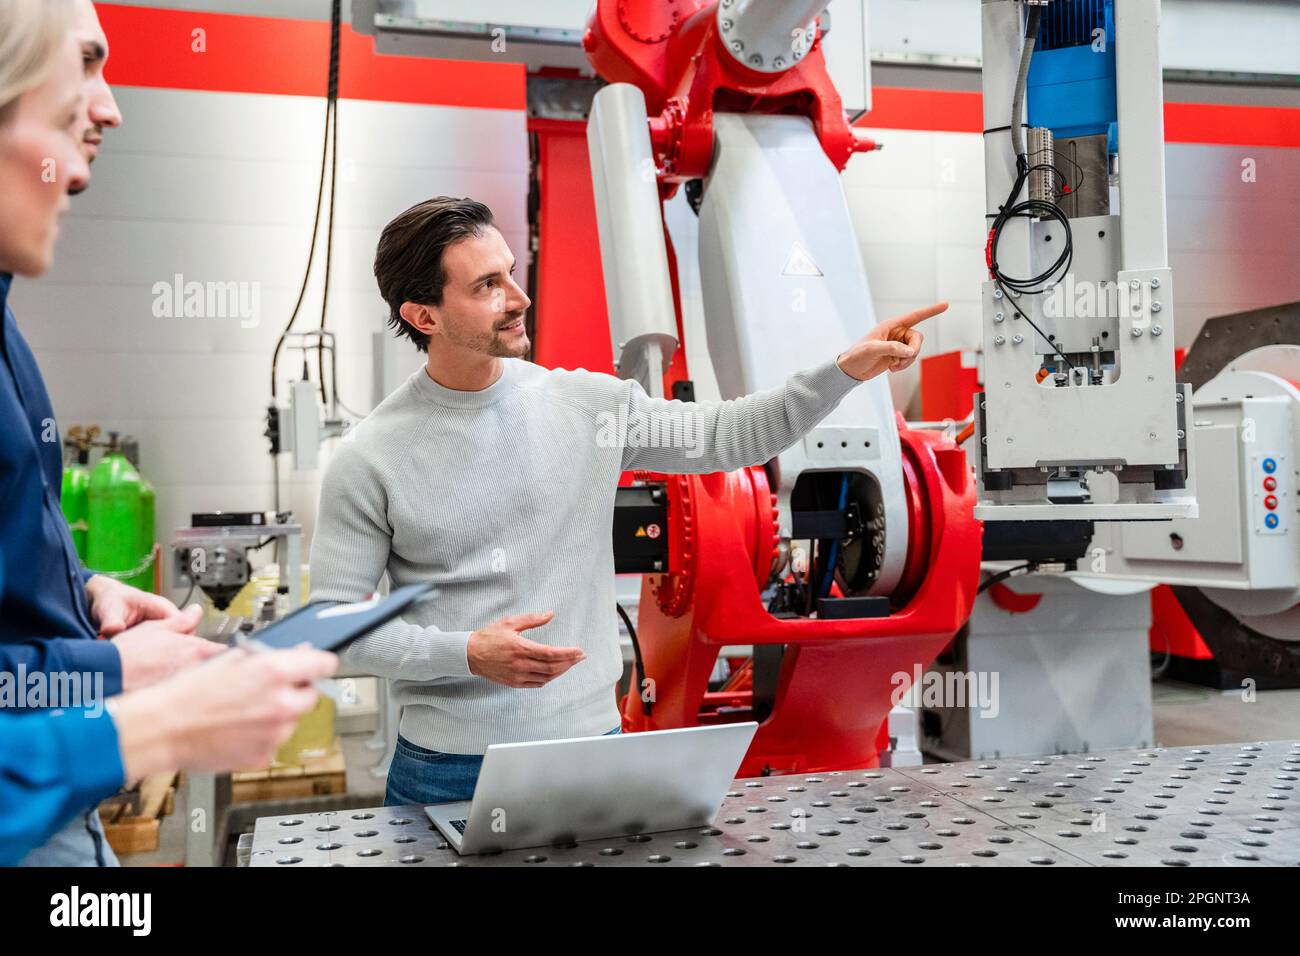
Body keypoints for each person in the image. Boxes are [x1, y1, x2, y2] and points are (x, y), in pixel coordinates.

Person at [310, 195, 943, 807]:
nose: (518, 299)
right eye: (487, 287)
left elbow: (729, 435)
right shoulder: (370, 457)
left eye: (511, 274)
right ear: (424, 316)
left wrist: (844, 370)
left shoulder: (585, 408)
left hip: (591, 753)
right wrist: (465, 653)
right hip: (449, 771)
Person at [0, 0, 338, 867]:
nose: (107, 109)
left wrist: (84, 596)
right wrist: (128, 700)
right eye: (84, 65)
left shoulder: (10, 338)